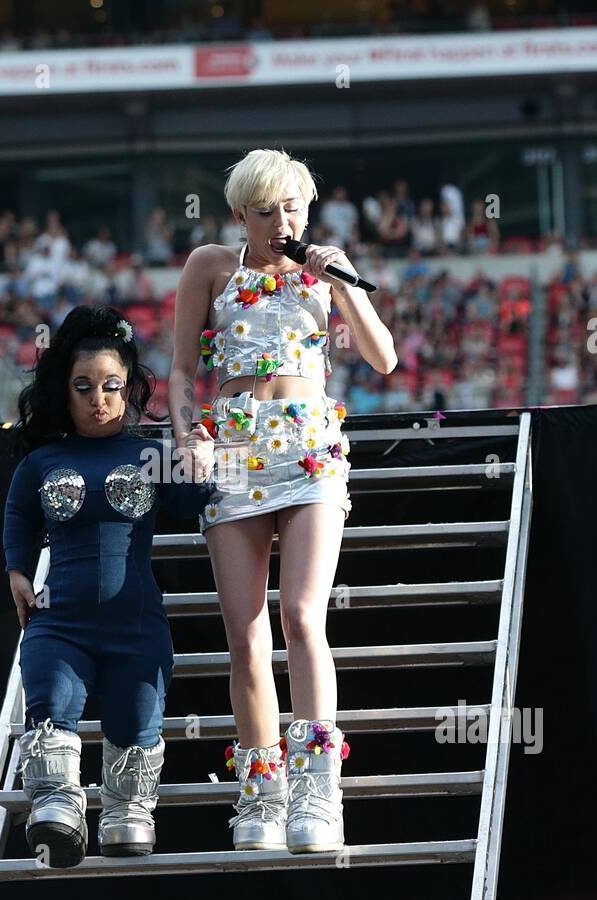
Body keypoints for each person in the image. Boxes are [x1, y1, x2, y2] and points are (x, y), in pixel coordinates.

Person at [168, 149, 396, 853]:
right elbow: (180, 369)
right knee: (244, 633)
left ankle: (318, 792)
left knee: (301, 613)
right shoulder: (210, 264)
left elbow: (384, 358)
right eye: (265, 209)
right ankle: (260, 792)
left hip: (310, 445)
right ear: (241, 214)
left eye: (292, 205)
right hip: (234, 444)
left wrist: (343, 284)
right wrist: (186, 437)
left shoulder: (325, 267)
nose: (281, 220)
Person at [2, 304, 214, 867]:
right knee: (50, 696)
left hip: (136, 626)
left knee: (137, 713)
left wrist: (205, 462)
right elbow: (19, 516)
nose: (99, 399)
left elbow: (196, 502)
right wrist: (17, 570)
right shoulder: (41, 461)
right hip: (59, 621)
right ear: (63, 392)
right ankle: (57, 804)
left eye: (112, 386)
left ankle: (127, 810)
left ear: (130, 391)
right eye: (84, 386)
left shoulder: (151, 454)